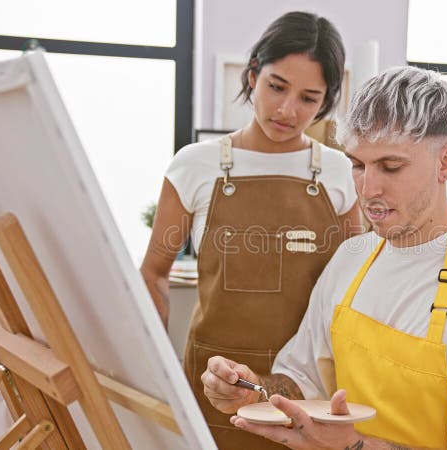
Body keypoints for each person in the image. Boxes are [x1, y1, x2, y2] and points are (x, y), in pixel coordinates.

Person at [200, 66, 447, 449]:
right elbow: (301, 382)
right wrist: (253, 391)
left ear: (446, 163)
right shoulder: (352, 258)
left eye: (391, 166)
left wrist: (353, 447)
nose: (368, 189)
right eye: (358, 165)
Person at [140, 11, 360, 449]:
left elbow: (353, 291)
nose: (286, 109)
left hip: (306, 393)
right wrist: (153, 371)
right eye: (277, 87)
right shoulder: (195, 165)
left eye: (308, 98)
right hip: (214, 386)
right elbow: (153, 275)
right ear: (253, 73)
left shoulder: (337, 171)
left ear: (326, 101)